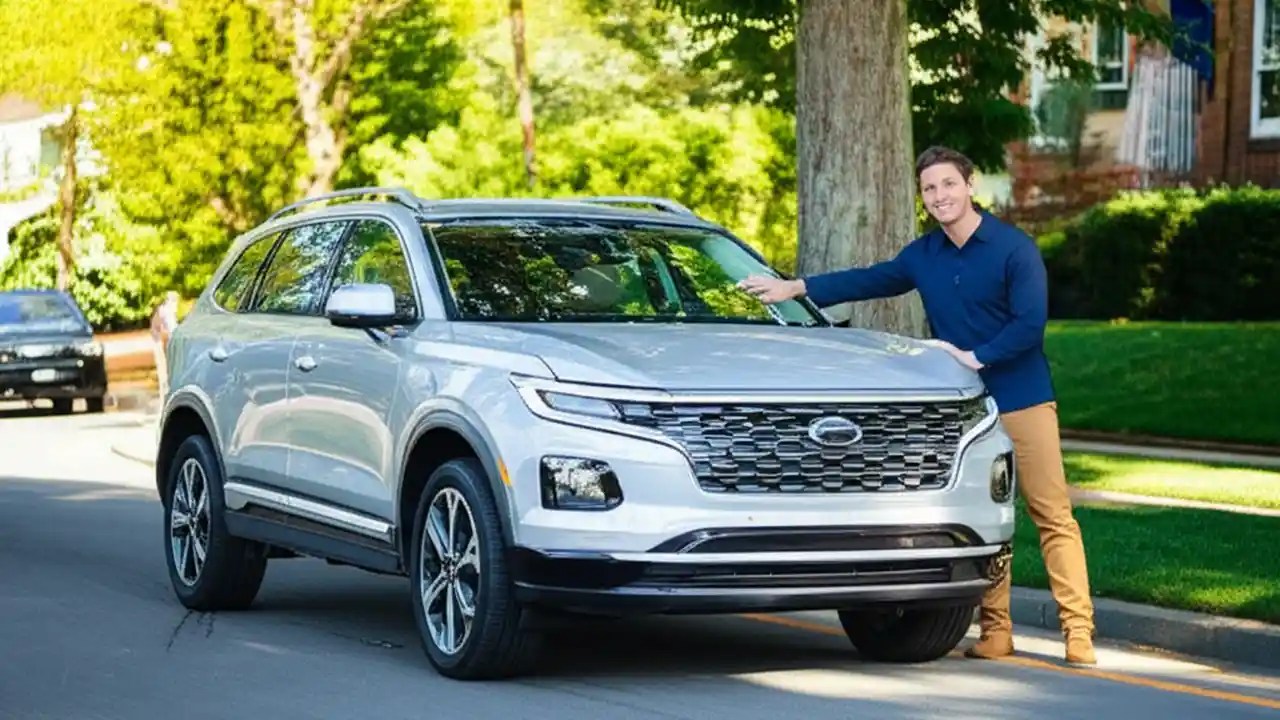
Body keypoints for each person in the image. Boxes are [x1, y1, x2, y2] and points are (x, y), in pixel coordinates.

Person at [738, 145, 1096, 666]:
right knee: (988, 521)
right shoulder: (923, 256)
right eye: (929, 189)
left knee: (1051, 514)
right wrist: (796, 286)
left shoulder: (1014, 249)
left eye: (949, 184)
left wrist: (976, 356)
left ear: (970, 185)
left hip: (1023, 400)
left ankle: (1078, 633)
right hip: (968, 411)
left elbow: (1029, 325)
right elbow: (869, 278)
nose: (940, 196)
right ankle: (996, 631)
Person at [150, 291, 180, 399]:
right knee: (164, 370)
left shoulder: (162, 310)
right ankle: (166, 395)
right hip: (160, 342)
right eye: (175, 302)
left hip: (158, 341)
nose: (176, 306)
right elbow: (173, 330)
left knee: (163, 370)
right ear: (171, 301)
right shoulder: (167, 312)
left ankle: (164, 394)